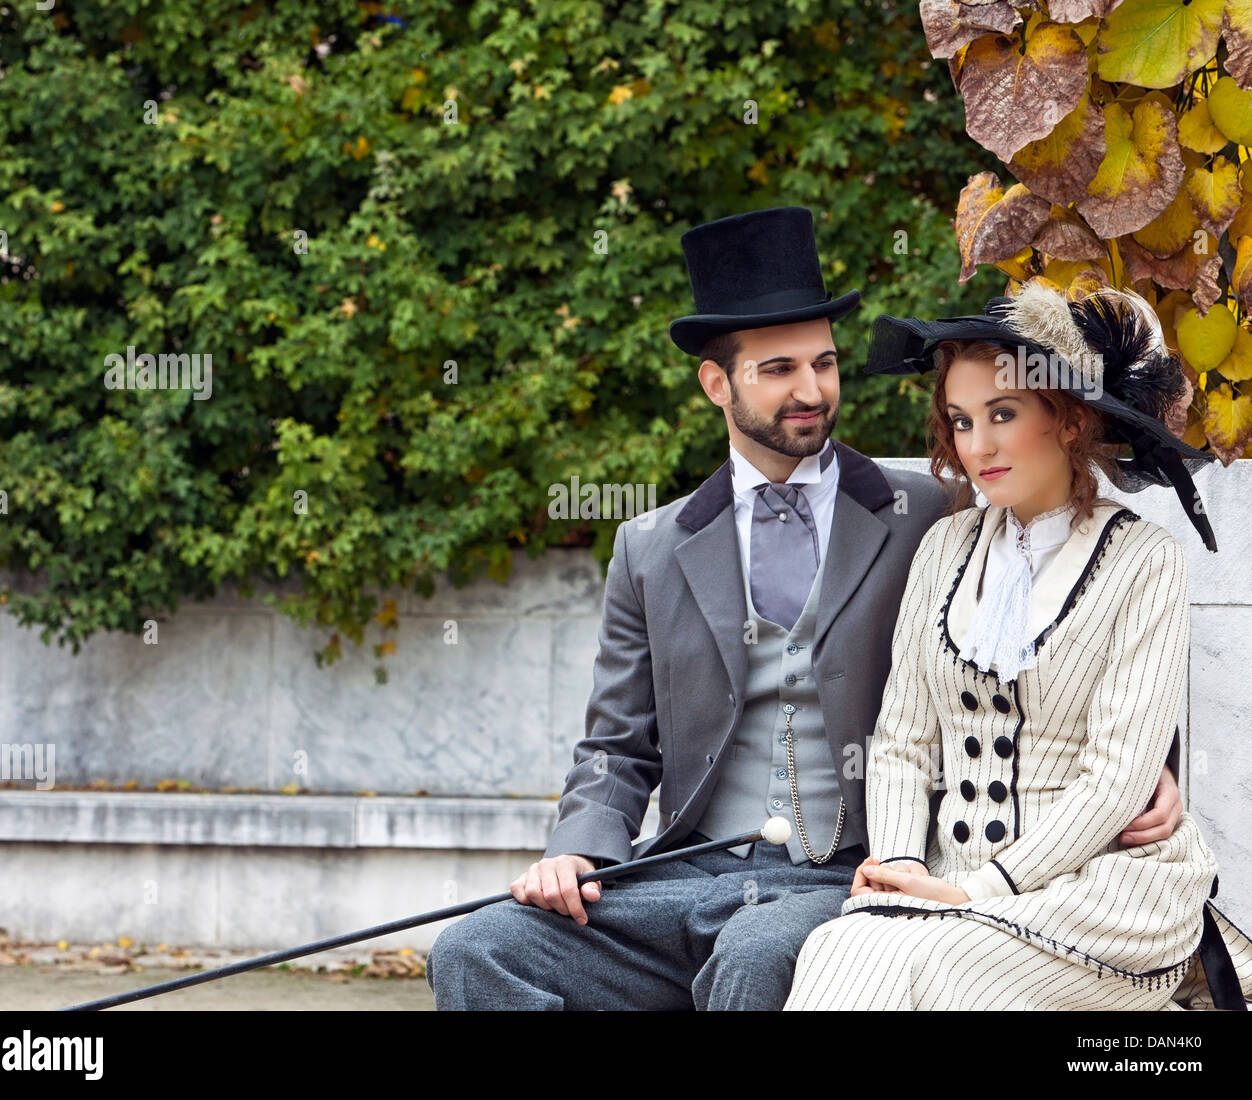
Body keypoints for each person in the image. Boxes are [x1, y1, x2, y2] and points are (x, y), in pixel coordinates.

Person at [425, 208, 1182, 1011]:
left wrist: (1151, 763)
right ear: (718, 384)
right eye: (778, 368)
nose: (812, 390)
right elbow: (615, 746)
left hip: (840, 874)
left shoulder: (932, 514)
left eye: (823, 363)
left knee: (756, 956)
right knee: (479, 948)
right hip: (682, 873)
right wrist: (575, 852)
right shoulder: (648, 547)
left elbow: (1058, 613)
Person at [785, 282, 1252, 1011]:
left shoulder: (1143, 560)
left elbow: (1116, 777)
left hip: (1100, 891)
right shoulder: (945, 549)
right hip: (950, 875)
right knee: (838, 946)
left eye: (1003, 414)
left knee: (941, 968)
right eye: (962, 420)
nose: (978, 446)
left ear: (1067, 420)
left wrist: (974, 890)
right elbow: (904, 740)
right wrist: (903, 868)